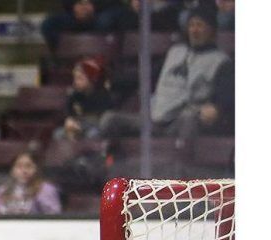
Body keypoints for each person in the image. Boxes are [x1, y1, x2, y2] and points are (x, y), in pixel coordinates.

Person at [99, 1, 234, 140]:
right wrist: (113, 81)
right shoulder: (174, 52)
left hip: (182, 121)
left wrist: (217, 108)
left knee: (188, 118)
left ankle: (182, 160)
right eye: (192, 25)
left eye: (200, 25)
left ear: (211, 30)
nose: (194, 30)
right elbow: (147, 76)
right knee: (110, 119)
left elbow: (226, 95)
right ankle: (109, 159)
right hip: (153, 119)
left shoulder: (221, 61)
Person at [54, 57, 114, 141]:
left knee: (93, 135)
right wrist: (70, 121)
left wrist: (80, 126)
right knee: (58, 134)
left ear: (92, 79)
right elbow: (69, 114)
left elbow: (101, 121)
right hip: (78, 127)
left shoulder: (103, 96)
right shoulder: (74, 94)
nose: (75, 82)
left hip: (95, 128)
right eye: (74, 78)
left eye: (80, 78)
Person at [0, 150, 62, 216]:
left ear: (36, 169)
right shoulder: (2, 191)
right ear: (12, 170)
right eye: (19, 166)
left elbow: (54, 218)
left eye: (28, 166)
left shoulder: (46, 189)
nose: (24, 171)